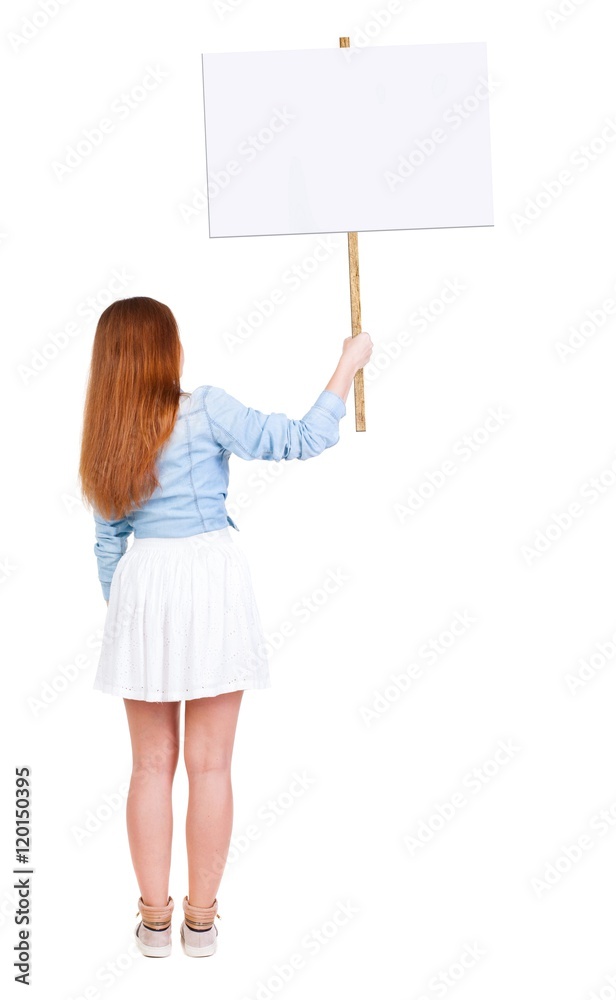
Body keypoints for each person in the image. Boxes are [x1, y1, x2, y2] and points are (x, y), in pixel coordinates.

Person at [78, 296, 372, 958]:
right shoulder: (206, 408)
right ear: (168, 350)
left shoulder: (105, 433)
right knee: (210, 765)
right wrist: (347, 364)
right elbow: (301, 439)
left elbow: (107, 544)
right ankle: (202, 923)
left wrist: (128, 619)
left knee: (149, 766)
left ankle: (155, 923)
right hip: (209, 582)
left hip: (143, 586)